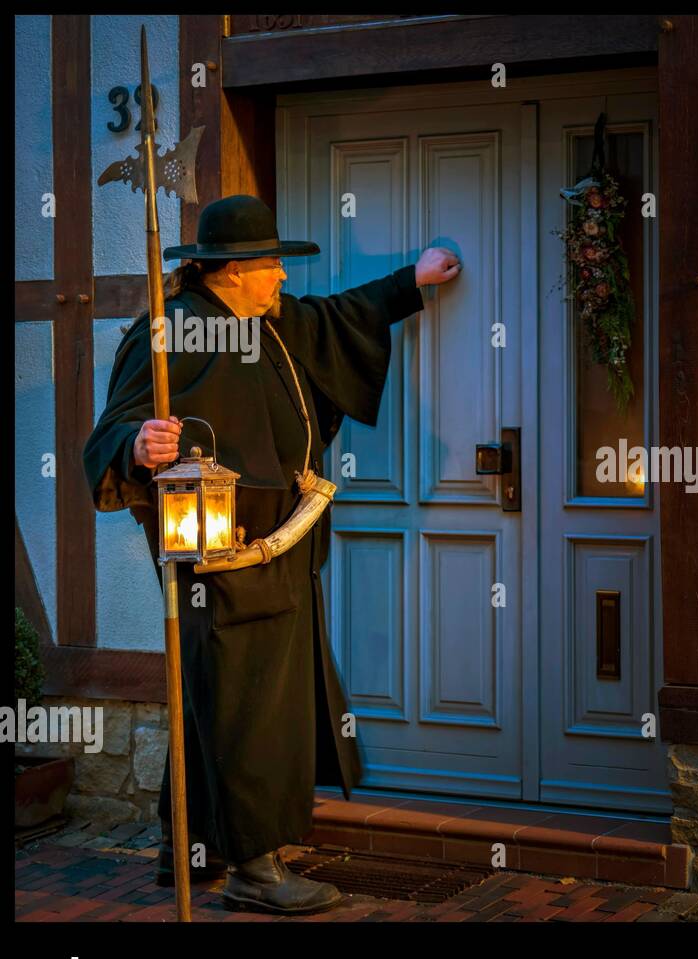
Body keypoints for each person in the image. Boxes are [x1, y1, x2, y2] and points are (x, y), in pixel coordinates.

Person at [82, 194, 461, 914]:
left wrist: (413, 280)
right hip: (217, 563)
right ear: (229, 271)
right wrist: (137, 444)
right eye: (271, 266)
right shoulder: (172, 331)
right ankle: (257, 869)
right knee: (238, 706)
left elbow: (336, 318)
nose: (282, 278)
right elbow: (112, 430)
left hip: (280, 556)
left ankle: (194, 846)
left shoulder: (268, 323)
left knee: (225, 706)